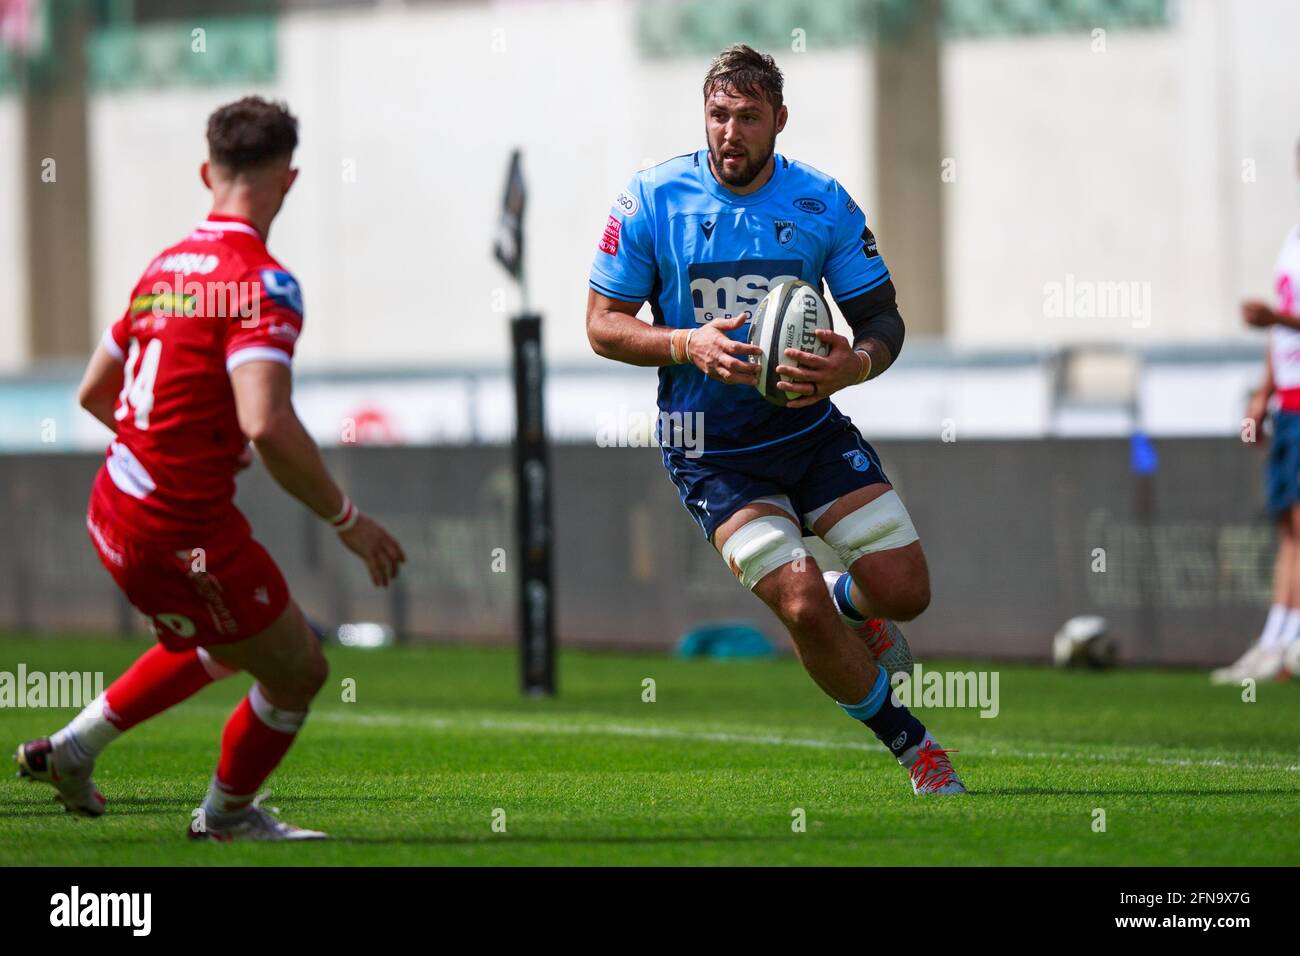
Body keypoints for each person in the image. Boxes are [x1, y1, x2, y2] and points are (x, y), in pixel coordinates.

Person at [15, 96, 406, 839]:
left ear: (207, 171)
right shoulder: (262, 283)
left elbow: (96, 391)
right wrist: (348, 523)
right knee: (299, 667)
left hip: (110, 509)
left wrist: (179, 440)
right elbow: (266, 424)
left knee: (224, 641)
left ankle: (72, 750)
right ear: (287, 182)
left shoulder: (162, 268)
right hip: (177, 525)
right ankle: (226, 817)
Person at [586, 45, 964, 794]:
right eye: (719, 115)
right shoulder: (652, 198)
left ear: (779, 121)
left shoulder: (820, 200)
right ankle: (915, 746)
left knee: (905, 591)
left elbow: (881, 317)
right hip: (714, 453)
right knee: (795, 600)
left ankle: (848, 601)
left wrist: (853, 364)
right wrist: (685, 342)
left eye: (749, 117)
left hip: (810, 435)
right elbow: (602, 324)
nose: (731, 132)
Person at [1214, 141, 1300, 684]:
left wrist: (1278, 318)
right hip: (1288, 402)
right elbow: (1279, 333)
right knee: (1286, 526)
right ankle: (1275, 638)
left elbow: (1284, 320)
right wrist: (1262, 394)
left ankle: (1288, 642)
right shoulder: (1292, 238)